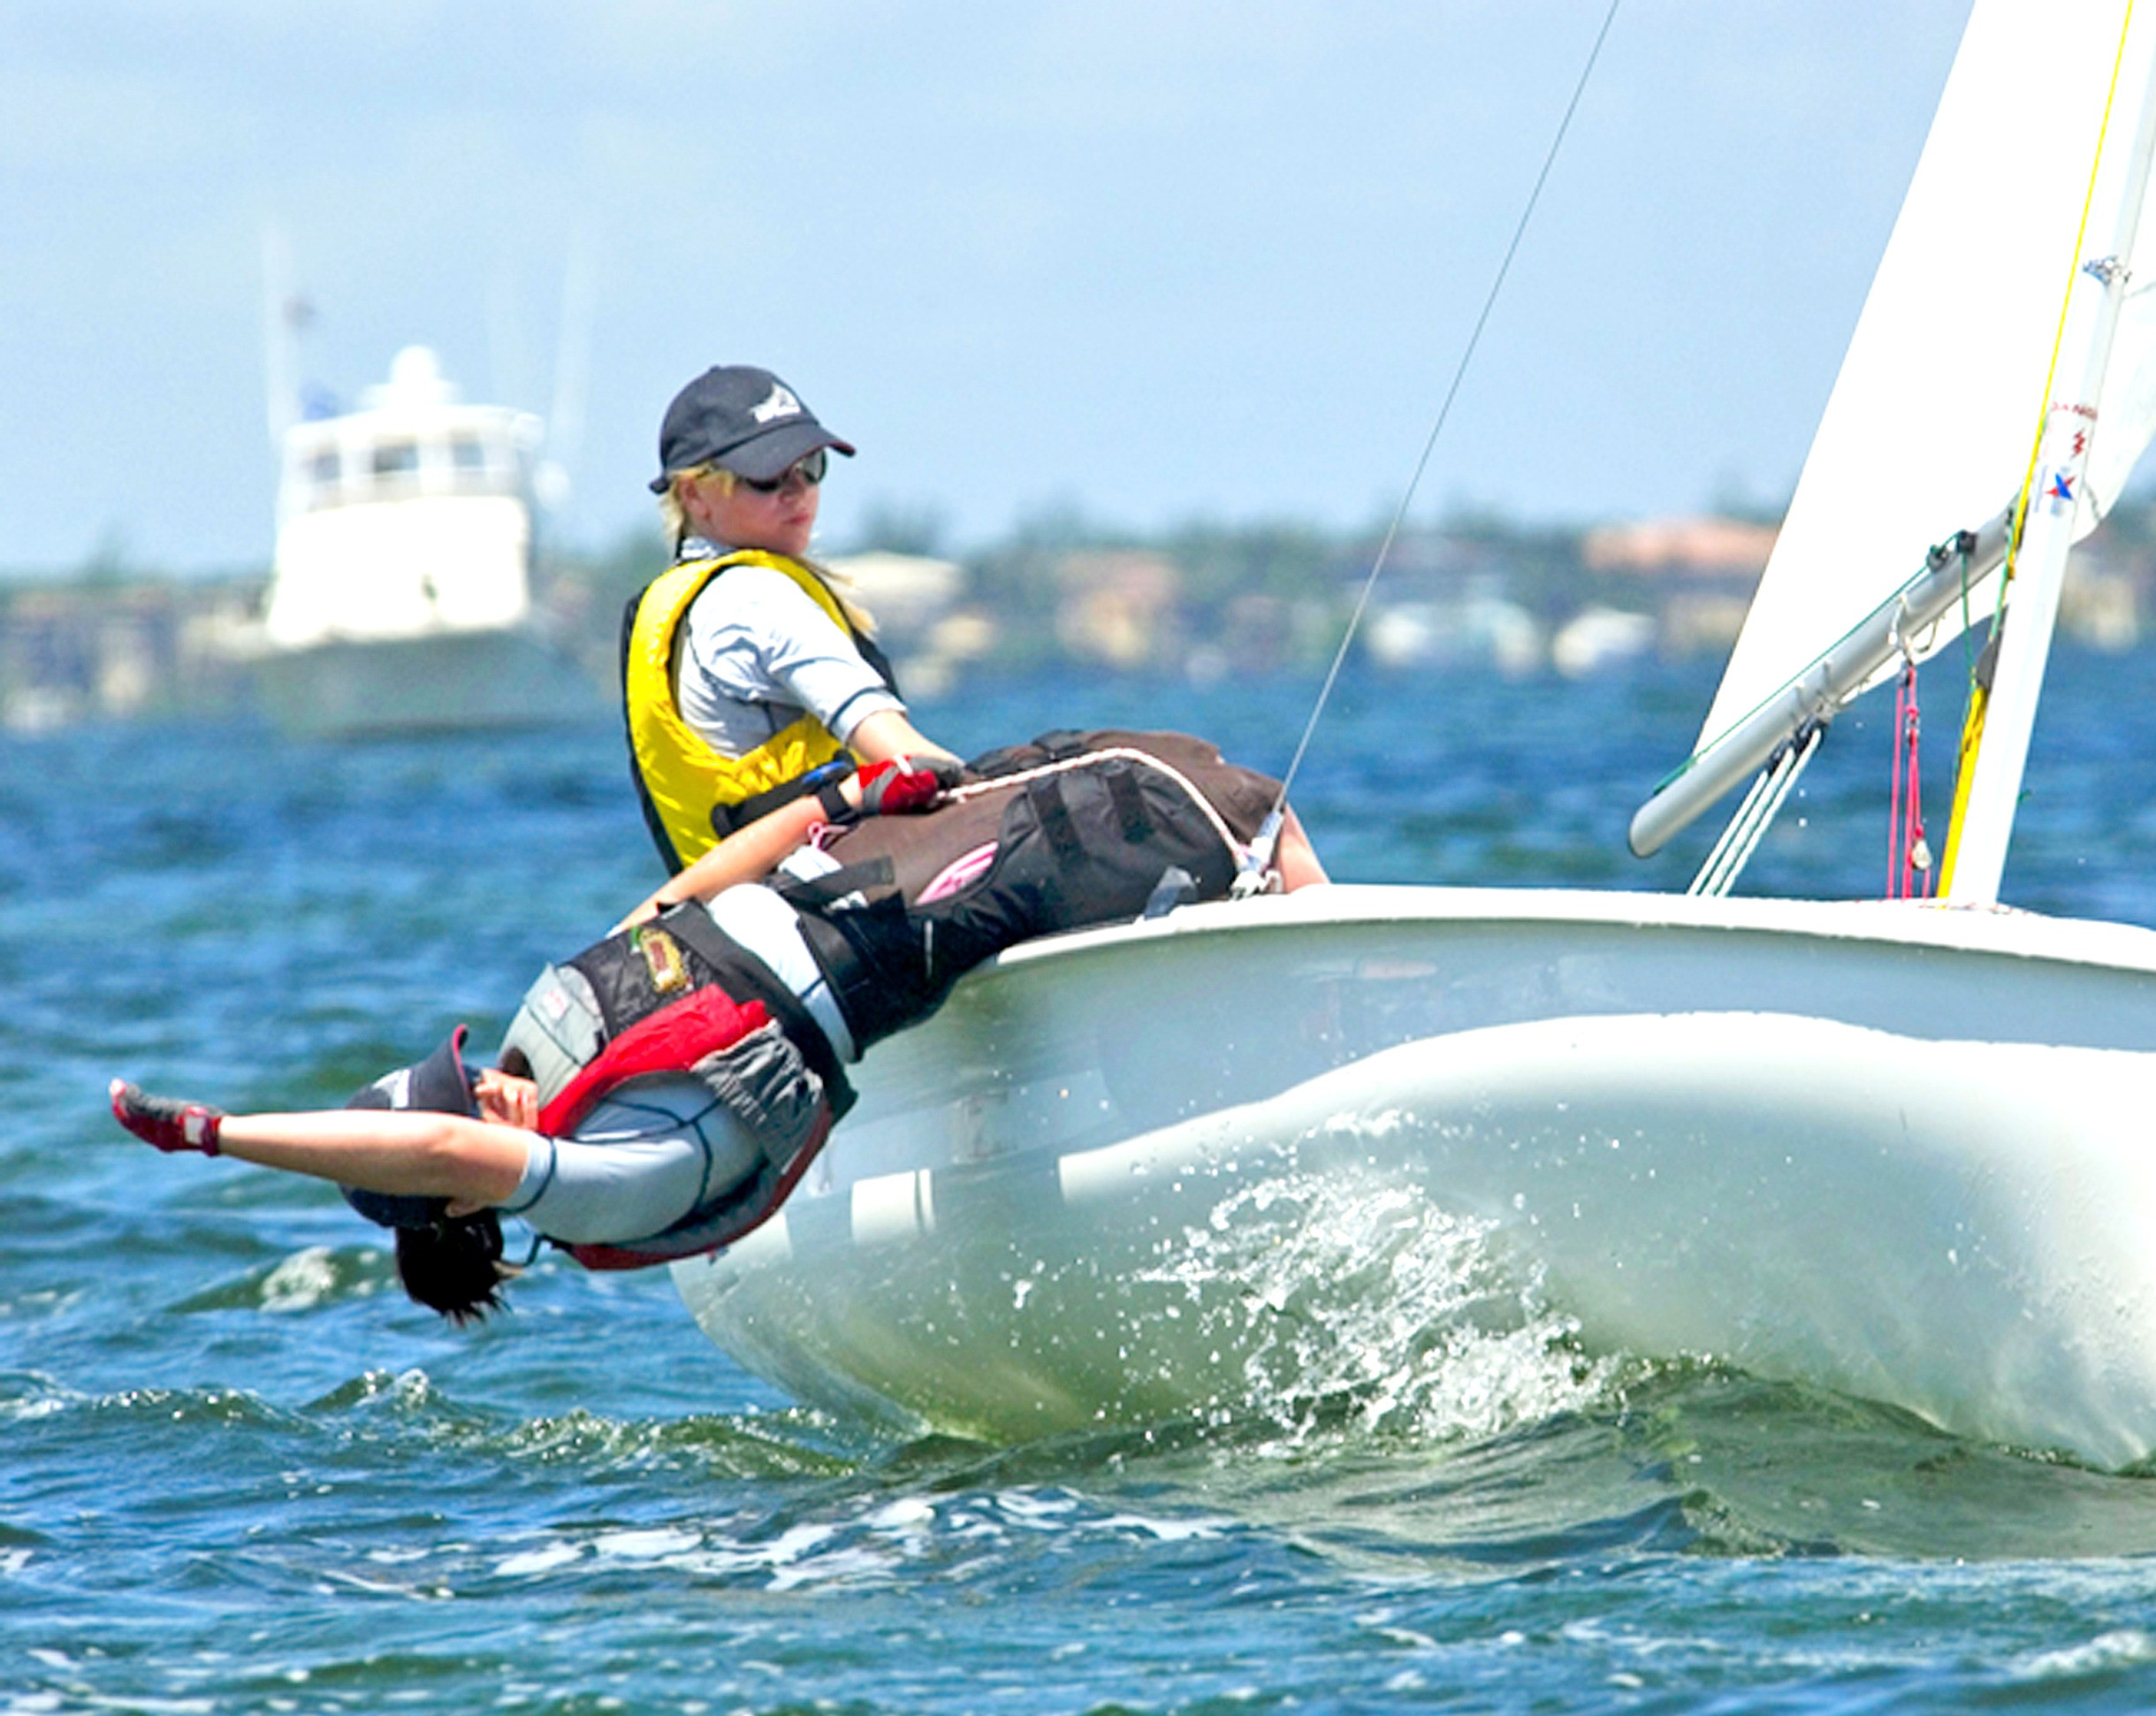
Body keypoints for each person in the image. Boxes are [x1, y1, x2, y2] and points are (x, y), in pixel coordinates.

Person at [110, 731, 1328, 1323]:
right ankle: (1342, 1024)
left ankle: (1341, 977)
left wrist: (842, 796)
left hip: (854, 864)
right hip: (898, 948)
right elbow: (432, 1154)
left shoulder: (557, 1032)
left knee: (1125, 753)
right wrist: (220, 1133)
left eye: (462, 1076)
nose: (480, 1092)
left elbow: (678, 902)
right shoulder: (596, 1188)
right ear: (461, 1198)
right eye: (460, 1111)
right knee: (1193, 815)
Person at [627, 363, 959, 872]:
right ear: (694, 494)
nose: (797, 491)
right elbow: (905, 758)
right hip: (822, 906)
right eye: (766, 478)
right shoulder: (753, 597)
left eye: (810, 468)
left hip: (736, 913)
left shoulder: (679, 603)